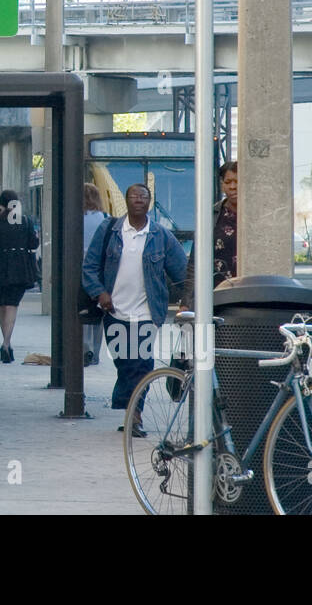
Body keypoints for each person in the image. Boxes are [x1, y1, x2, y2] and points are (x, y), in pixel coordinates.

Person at [82, 182, 187, 437]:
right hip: (114, 312)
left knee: (141, 363)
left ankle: (135, 415)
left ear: (149, 202)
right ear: (126, 201)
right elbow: (89, 266)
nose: (138, 199)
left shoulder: (161, 236)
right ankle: (125, 401)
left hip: (147, 314)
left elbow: (183, 272)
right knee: (125, 363)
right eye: (133, 196)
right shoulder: (110, 231)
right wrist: (100, 293)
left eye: (143, 196)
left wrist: (190, 299)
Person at [180, 161, 238, 308]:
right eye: (228, 182)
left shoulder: (257, 216)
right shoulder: (211, 215)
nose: (232, 187)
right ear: (222, 184)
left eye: (237, 181)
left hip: (249, 293)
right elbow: (194, 262)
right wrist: (186, 301)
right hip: (216, 296)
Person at [0, 190, 39, 363]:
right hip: (19, 269)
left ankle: (6, 342)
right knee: (12, 306)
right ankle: (6, 343)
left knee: (2, 306)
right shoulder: (25, 221)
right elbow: (33, 243)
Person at [81, 182, 110, 366]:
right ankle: (96, 352)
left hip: (80, 271)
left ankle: (86, 348)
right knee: (99, 314)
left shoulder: (75, 219)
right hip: (102, 272)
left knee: (83, 312)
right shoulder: (106, 219)